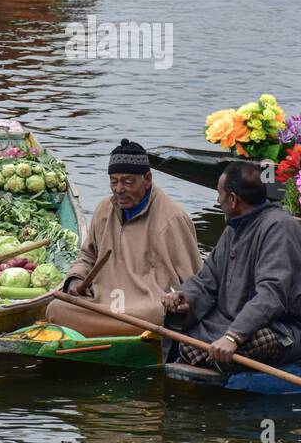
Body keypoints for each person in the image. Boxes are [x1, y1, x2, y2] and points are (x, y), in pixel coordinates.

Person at [162, 163, 301, 372]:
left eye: (219, 195)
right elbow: (206, 279)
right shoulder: (234, 229)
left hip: (296, 328)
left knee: (247, 344)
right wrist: (185, 297)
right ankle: (212, 362)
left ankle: (217, 365)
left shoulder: (279, 228)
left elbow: (272, 294)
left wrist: (233, 336)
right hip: (239, 319)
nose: (218, 201)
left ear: (232, 199)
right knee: (188, 339)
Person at [46, 140, 201, 336]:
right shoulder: (104, 209)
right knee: (55, 308)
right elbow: (87, 256)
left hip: (145, 309)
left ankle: (102, 332)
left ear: (147, 179)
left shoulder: (173, 218)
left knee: (158, 315)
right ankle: (109, 330)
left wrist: (180, 301)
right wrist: (76, 281)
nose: (119, 189)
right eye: (114, 181)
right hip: (102, 302)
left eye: (127, 181)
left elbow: (193, 280)